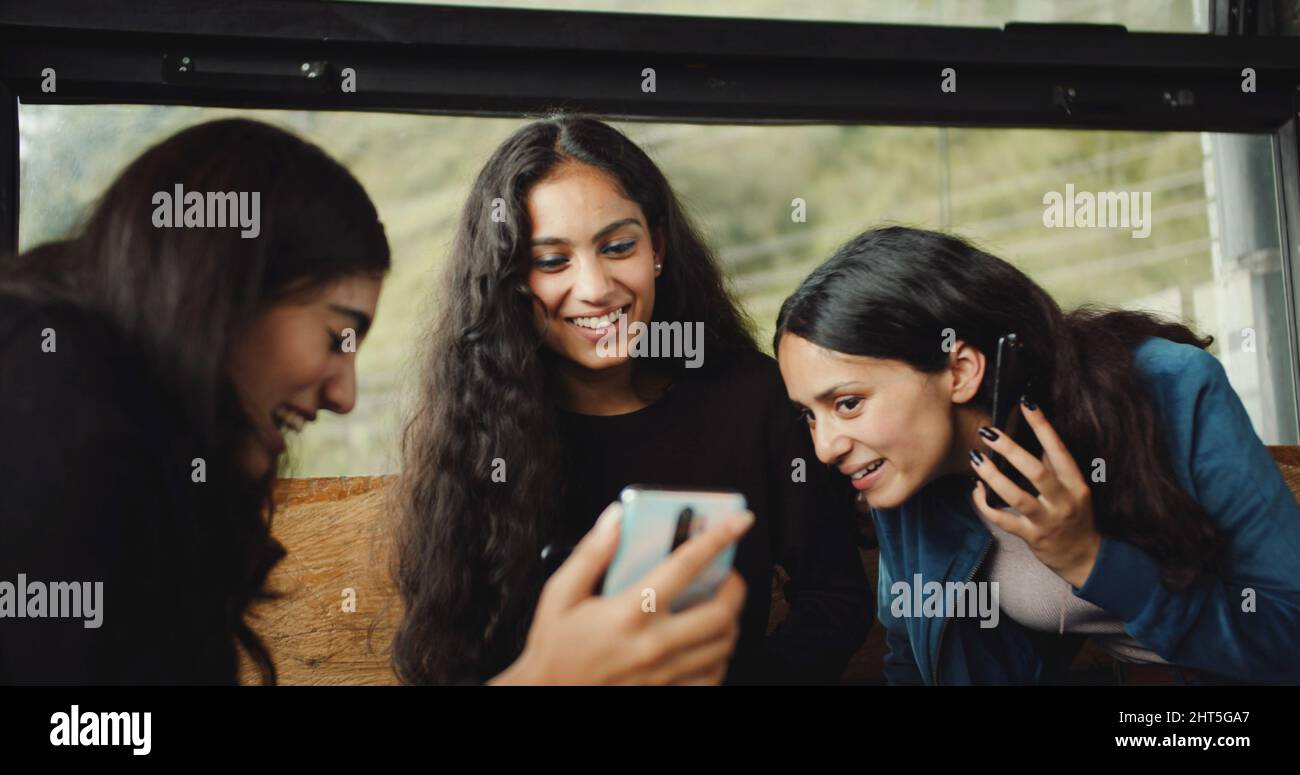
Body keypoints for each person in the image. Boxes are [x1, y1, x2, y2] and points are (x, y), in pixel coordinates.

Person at [393, 114, 873, 685]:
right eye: (552, 261)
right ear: (510, 279)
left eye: (619, 246)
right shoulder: (479, 427)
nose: (595, 288)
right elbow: (462, 652)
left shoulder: (752, 396)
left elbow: (834, 598)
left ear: (658, 247)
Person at [775, 225, 1300, 685]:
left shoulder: (1174, 388)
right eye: (809, 415)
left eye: (848, 403)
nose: (825, 447)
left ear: (959, 371)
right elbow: (911, 662)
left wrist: (1089, 558)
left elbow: (1290, 633)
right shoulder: (899, 470)